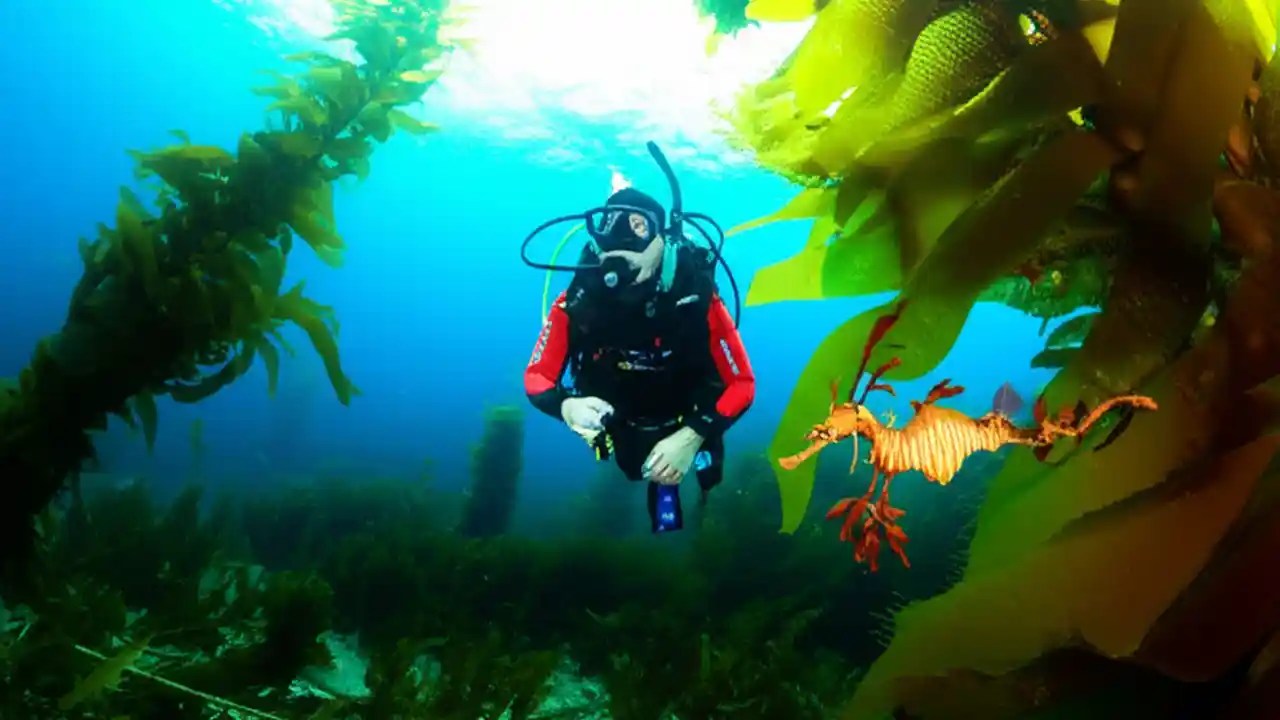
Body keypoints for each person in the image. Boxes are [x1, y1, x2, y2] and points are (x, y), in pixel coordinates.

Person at [523, 184, 756, 532]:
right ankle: (666, 499)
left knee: (708, 473)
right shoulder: (582, 296)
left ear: (660, 238)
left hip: (690, 411)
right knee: (633, 469)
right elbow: (537, 377)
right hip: (622, 417)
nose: (619, 241)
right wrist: (566, 408)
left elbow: (742, 384)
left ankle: (704, 505)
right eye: (608, 224)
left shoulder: (692, 293)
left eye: (637, 225)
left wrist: (690, 437)